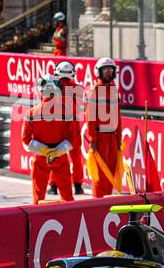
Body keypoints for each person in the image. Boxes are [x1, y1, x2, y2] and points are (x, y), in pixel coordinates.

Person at [22, 77, 77, 204]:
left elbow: (25, 140)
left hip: (40, 156)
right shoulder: (66, 111)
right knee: (67, 197)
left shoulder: (31, 112)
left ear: (41, 91)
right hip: (60, 155)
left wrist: (45, 151)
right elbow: (72, 139)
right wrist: (56, 152)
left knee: (38, 196)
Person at [86, 57, 124, 197]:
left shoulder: (114, 90)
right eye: (105, 69)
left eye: (110, 69)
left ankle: (105, 200)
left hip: (113, 138)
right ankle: (97, 202)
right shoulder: (95, 90)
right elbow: (90, 117)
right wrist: (92, 139)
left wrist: (119, 138)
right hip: (100, 138)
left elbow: (117, 116)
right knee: (101, 174)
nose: (108, 72)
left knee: (111, 172)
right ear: (99, 72)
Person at [52, 61, 85, 196]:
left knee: (55, 155)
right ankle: (77, 185)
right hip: (73, 126)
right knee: (76, 157)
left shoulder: (52, 87)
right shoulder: (77, 88)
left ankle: (53, 186)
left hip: (57, 126)